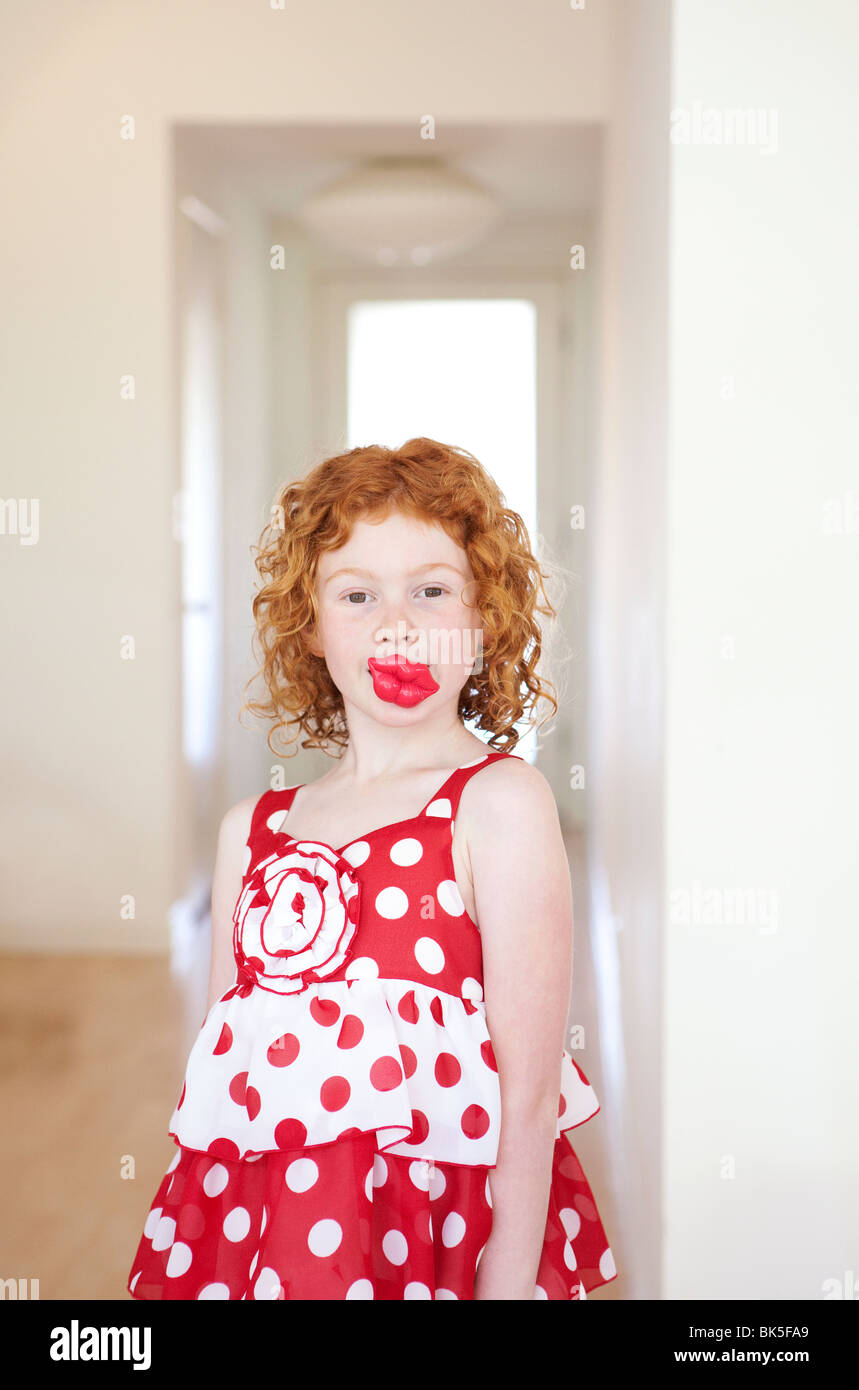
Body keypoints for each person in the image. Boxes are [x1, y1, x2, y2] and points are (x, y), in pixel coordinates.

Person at [127, 436, 617, 1300]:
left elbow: (530, 1098)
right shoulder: (253, 831)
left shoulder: (497, 805)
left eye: (431, 591)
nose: (397, 624)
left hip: (430, 1250)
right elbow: (218, 1091)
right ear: (310, 628)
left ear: (483, 619)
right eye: (358, 596)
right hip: (264, 1247)